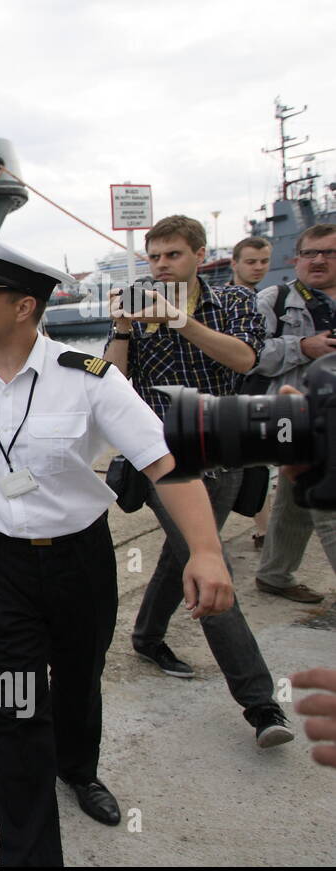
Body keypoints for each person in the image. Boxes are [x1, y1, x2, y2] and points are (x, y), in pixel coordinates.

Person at [0, 234, 234, 866]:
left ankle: (79, 768)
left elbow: (165, 462)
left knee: (78, 680)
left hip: (76, 560)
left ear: (24, 307)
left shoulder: (89, 379)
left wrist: (205, 551)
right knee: (15, 710)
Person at [103, 214, 292, 747]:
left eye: (172, 256)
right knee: (210, 564)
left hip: (224, 448)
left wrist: (182, 321)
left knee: (181, 555)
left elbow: (246, 359)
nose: (161, 266)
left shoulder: (233, 302)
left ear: (199, 253)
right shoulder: (136, 306)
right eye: (154, 257)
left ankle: (146, 636)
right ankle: (261, 705)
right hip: (164, 456)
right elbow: (112, 383)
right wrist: (122, 328)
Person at [252, 224, 336, 602]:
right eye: (310, 253)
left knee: (293, 499)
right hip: (297, 414)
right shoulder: (278, 298)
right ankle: (275, 573)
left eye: (330, 253)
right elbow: (251, 356)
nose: (318, 260)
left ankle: (274, 573)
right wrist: (304, 345)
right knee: (324, 505)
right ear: (296, 258)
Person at [226, 237, 274, 547]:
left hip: (257, 391)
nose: (257, 268)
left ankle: (264, 530)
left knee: (260, 464)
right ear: (235, 263)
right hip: (227, 395)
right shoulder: (222, 303)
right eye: (250, 262)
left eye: (263, 262)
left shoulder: (269, 299)